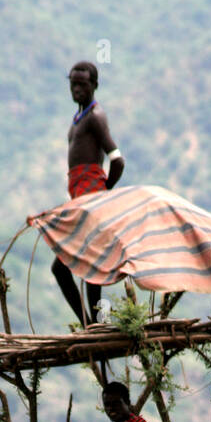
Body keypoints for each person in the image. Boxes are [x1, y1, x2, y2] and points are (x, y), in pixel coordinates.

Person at [52, 62, 125, 326]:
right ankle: (92, 324)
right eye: (73, 83)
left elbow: (117, 160)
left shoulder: (95, 117)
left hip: (90, 199)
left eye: (83, 84)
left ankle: (91, 324)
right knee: (86, 263)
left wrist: (102, 193)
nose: (77, 88)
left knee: (66, 267)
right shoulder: (78, 119)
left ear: (95, 85)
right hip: (80, 197)